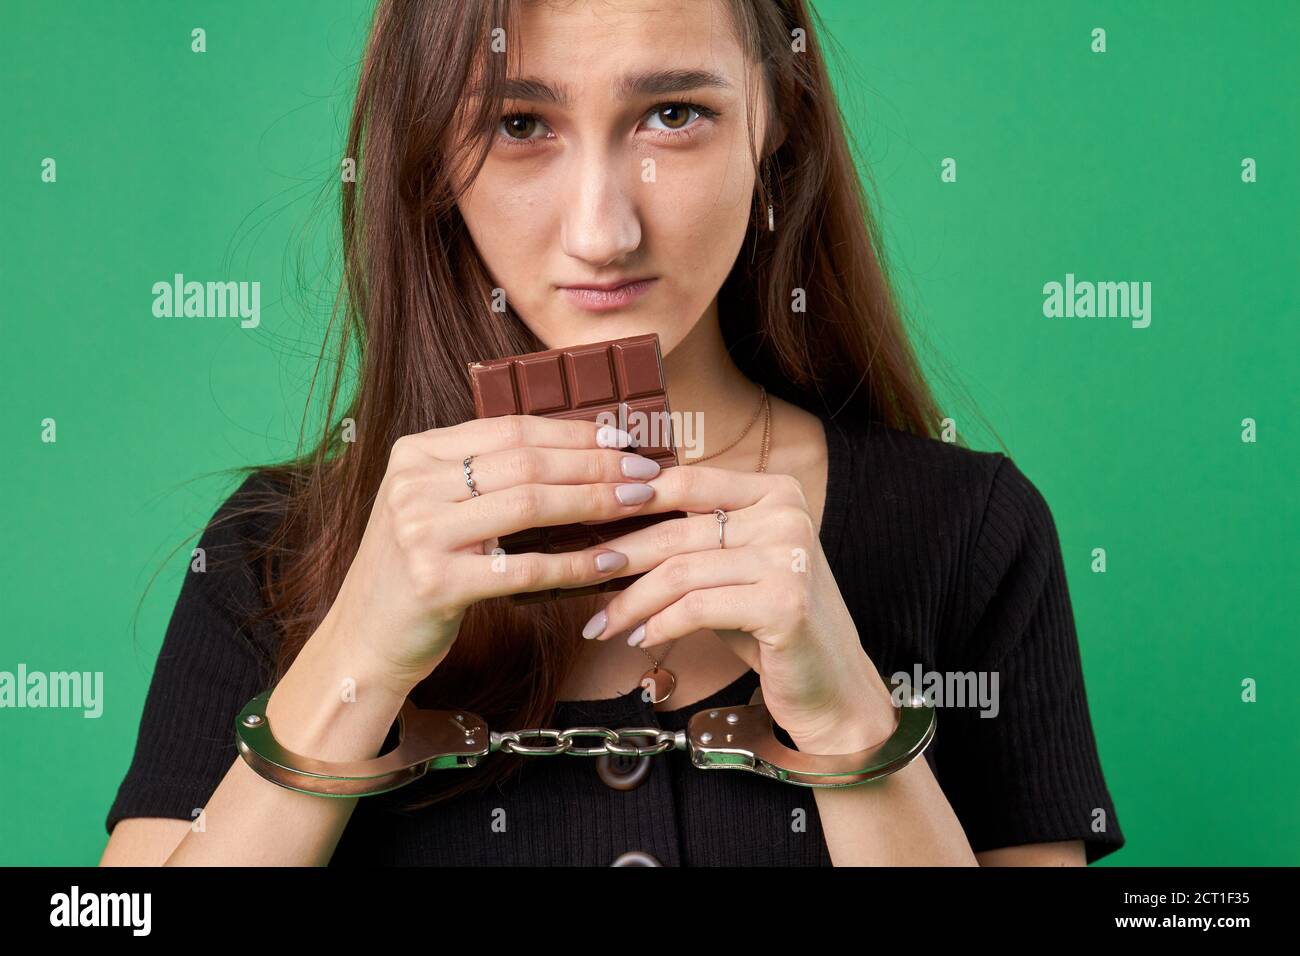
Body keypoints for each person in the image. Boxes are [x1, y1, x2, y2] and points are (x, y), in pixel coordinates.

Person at [100, 0, 1124, 866]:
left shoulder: (972, 534)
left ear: (778, 120)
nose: (601, 231)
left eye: (673, 114)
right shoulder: (274, 552)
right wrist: (353, 658)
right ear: (429, 149)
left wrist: (850, 718)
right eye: (518, 124)